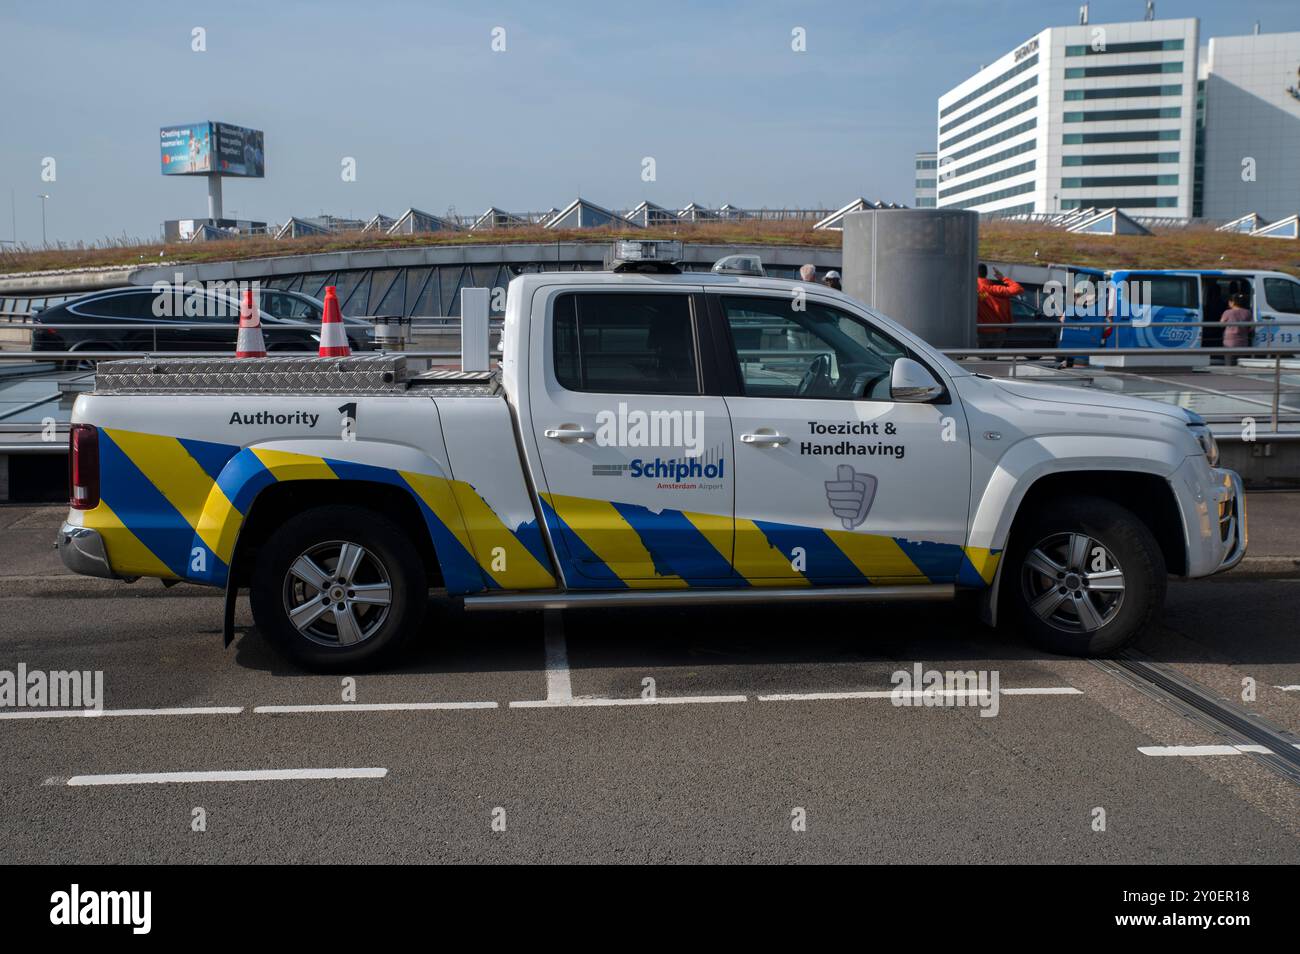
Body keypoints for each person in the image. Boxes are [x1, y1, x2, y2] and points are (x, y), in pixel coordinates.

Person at [977, 263, 1023, 349]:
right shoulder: (995, 289)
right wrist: (1002, 278)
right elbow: (1018, 289)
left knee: (980, 360)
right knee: (992, 360)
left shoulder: (974, 288)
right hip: (999, 331)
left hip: (981, 330)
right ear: (986, 274)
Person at [1220, 293, 1252, 365]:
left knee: (1229, 362)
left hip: (1229, 342)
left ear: (1232, 302)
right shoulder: (1248, 312)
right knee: (1241, 363)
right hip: (1243, 341)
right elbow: (1252, 327)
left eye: (1229, 302)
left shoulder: (1227, 312)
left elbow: (1221, 325)